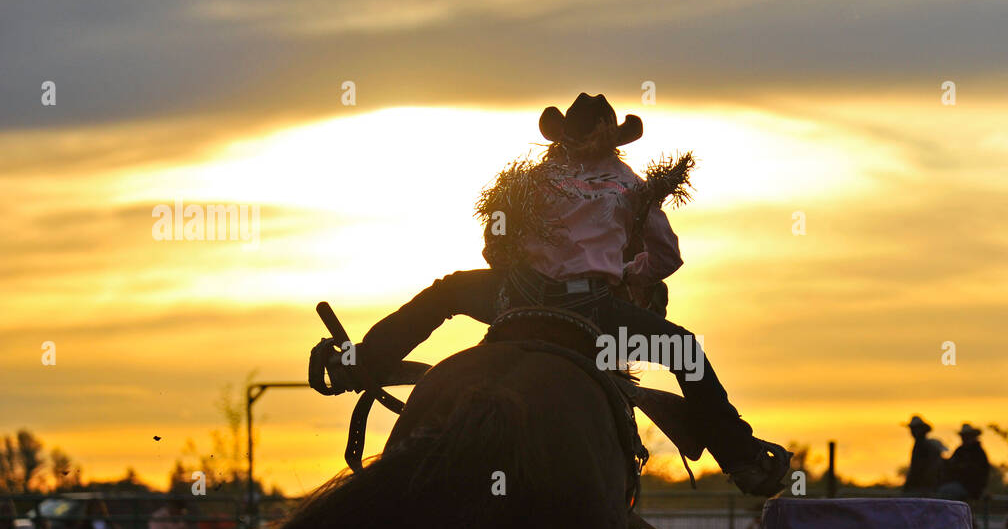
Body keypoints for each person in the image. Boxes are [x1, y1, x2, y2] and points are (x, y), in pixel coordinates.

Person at [311, 92, 790, 497]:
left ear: (559, 136)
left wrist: (522, 269)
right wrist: (626, 271)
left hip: (515, 298)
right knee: (683, 350)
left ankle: (359, 362)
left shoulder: (528, 180)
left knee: (446, 293)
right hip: (590, 310)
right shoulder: (630, 185)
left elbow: (494, 245)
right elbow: (666, 261)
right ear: (615, 138)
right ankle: (741, 456)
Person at [937, 423, 990, 501]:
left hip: (971, 488)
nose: (964, 438)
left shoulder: (978, 453)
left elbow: (977, 472)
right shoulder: (961, 450)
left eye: (966, 436)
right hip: (962, 486)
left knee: (945, 492)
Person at [902, 415, 946, 496]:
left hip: (924, 487)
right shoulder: (923, 445)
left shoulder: (923, 446)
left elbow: (919, 469)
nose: (912, 431)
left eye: (914, 429)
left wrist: (909, 485)